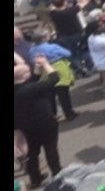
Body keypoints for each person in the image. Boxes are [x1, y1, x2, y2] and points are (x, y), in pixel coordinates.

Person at [14, 55, 62, 189]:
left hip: (27, 127)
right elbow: (54, 79)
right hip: (45, 122)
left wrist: (37, 67)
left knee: (32, 153)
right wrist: (46, 64)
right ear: (25, 76)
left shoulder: (22, 88)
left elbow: (32, 79)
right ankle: (57, 173)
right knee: (51, 148)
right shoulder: (32, 88)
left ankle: (35, 178)